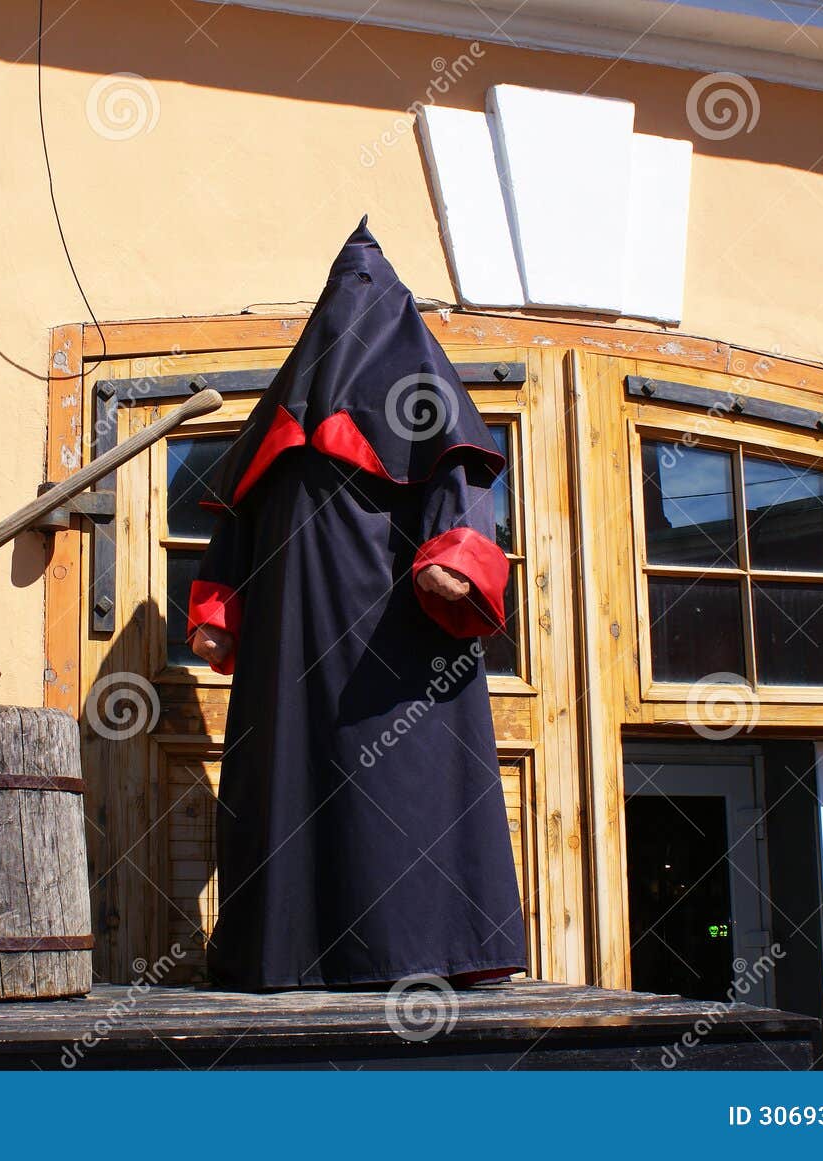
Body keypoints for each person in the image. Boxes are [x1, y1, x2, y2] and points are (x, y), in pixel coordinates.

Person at [185, 218, 527, 990]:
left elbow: (462, 487)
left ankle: (408, 954)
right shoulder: (278, 425)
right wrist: (217, 609)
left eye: (364, 299)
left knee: (395, 797)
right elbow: (235, 523)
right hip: (288, 651)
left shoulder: (424, 396)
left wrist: (454, 560)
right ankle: (286, 956)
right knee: (285, 788)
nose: (351, 319)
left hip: (394, 646)